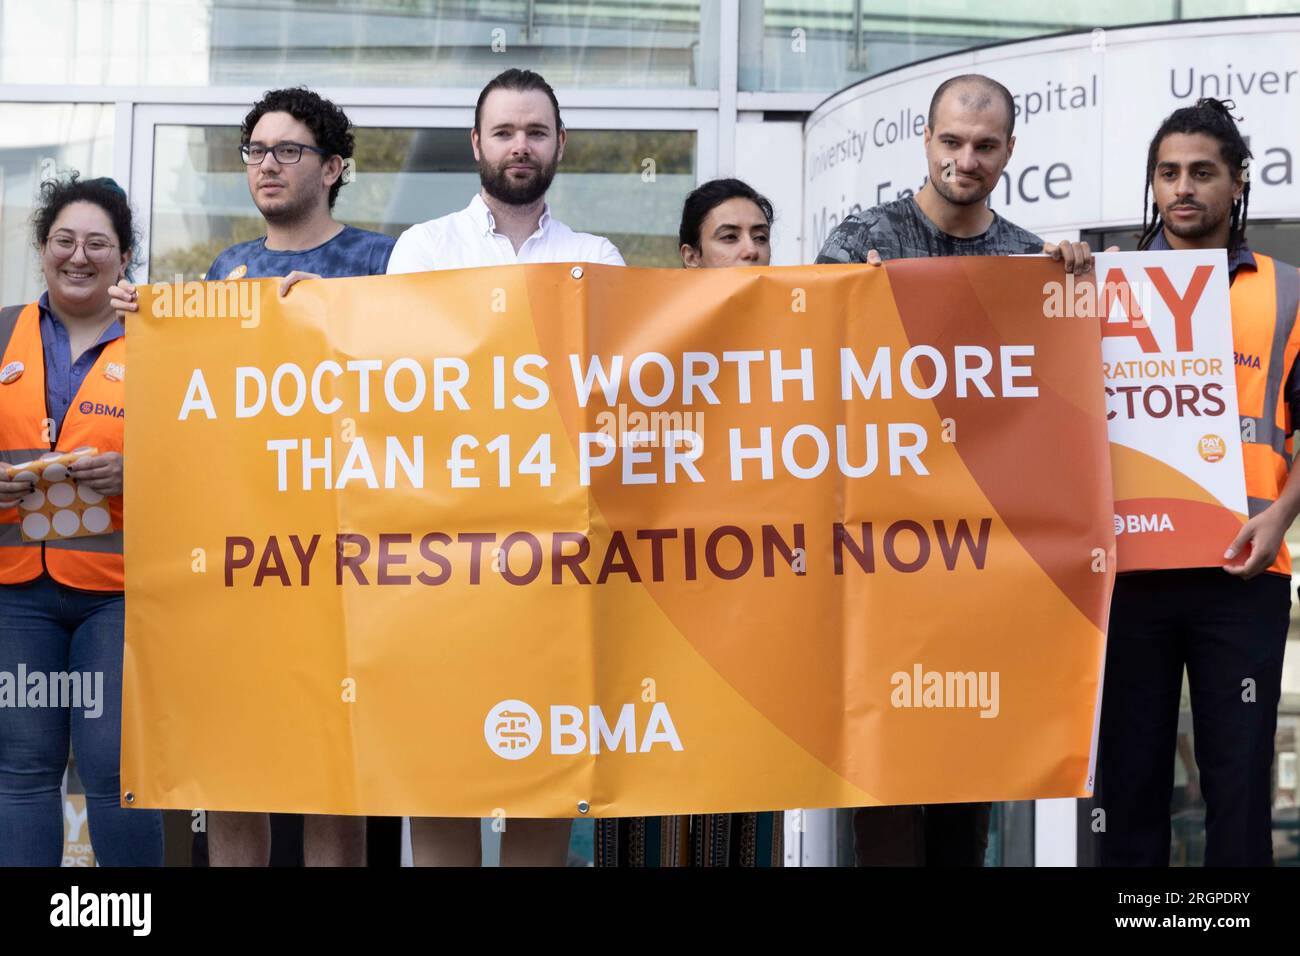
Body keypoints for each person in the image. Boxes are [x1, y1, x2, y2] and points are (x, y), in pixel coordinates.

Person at [110, 87, 397, 866]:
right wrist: (157, 319)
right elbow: (198, 401)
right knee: (236, 764)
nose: (267, 166)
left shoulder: (382, 261)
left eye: (288, 151)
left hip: (343, 559)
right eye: (256, 152)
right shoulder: (224, 270)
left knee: (332, 775)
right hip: (244, 557)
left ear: (335, 166)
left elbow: (409, 386)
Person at [815, 73, 1095, 867]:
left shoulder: (1027, 261)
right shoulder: (859, 240)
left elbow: (1061, 410)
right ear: (926, 140)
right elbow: (808, 379)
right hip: (883, 567)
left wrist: (1069, 284)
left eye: (983, 145)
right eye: (951, 142)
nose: (964, 160)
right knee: (889, 801)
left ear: (1010, 151)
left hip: (984, 573)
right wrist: (848, 301)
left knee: (966, 800)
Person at [387, 67, 623, 866]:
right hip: (442, 556)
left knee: (546, 782)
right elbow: (398, 384)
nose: (519, 146)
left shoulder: (597, 257)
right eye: (505, 132)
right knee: (444, 772)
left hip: (558, 561)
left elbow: (614, 395)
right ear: (477, 144)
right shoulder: (423, 249)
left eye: (535, 132)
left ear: (560, 144)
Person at [1097, 97, 1300, 866]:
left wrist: (1279, 519)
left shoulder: (1288, 292)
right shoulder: (1102, 285)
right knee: (1132, 782)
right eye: (1168, 172)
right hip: (1130, 572)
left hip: (1242, 569)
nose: (1184, 188)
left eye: (1203, 173)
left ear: (1238, 182)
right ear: (1152, 183)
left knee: (1239, 784)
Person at [594, 178, 783, 867]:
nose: (750, 251)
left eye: (760, 236)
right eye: (728, 238)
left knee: (741, 805)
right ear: (690, 256)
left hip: (753, 617)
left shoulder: (801, 340)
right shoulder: (641, 343)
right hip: (653, 615)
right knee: (650, 808)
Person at [0, 174, 164, 866]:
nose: (79, 255)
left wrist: (140, 474)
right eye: (64, 239)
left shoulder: (160, 342)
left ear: (123, 258)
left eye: (99, 243)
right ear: (42, 249)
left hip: (118, 593)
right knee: (23, 771)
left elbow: (208, 459)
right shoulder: (1, 328)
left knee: (116, 774)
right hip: (16, 591)